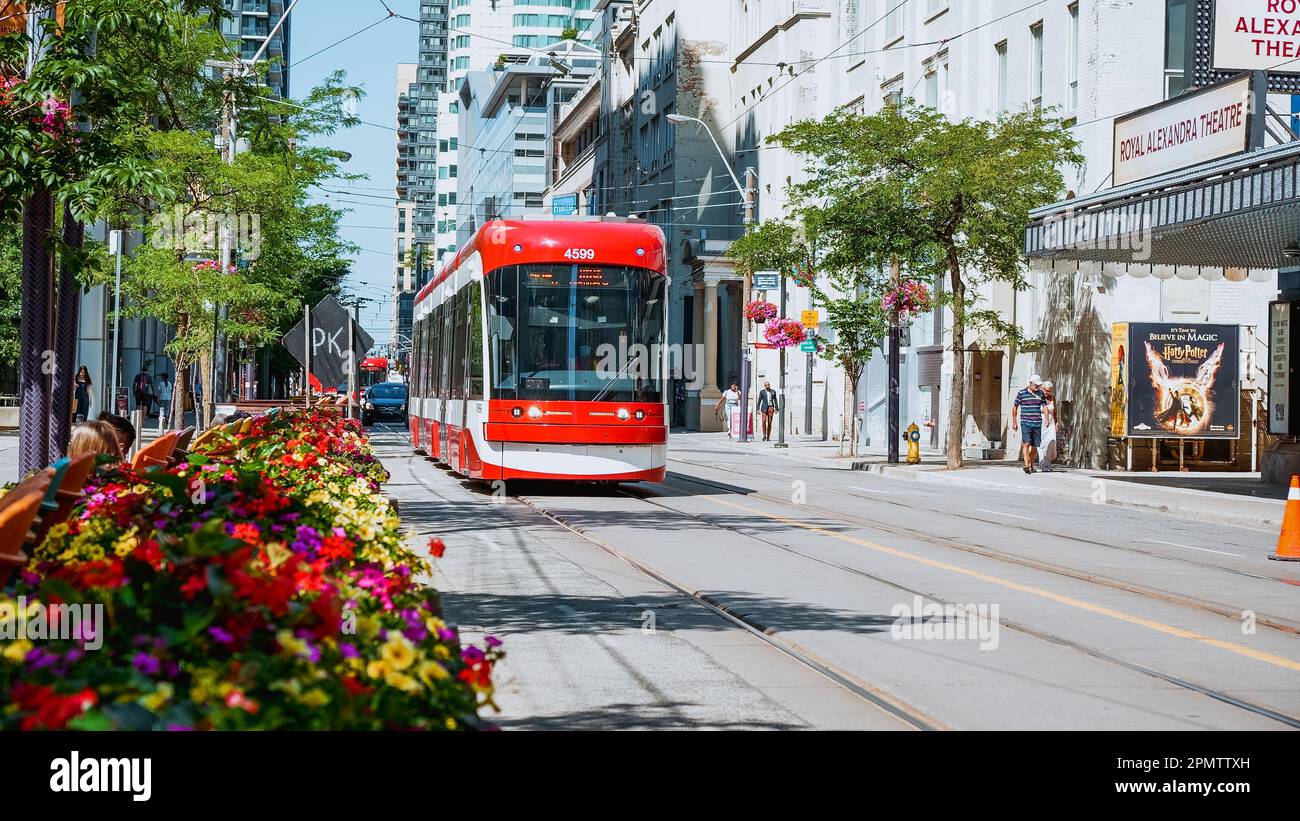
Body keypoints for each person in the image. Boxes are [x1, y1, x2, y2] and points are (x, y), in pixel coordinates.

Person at [1012, 374, 1046, 474]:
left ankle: (1030, 462)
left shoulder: (1041, 393)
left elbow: (1044, 406)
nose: (1038, 387)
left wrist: (1047, 419)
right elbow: (1015, 407)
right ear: (1030, 383)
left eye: (1039, 385)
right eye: (1036, 385)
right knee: (1026, 443)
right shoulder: (1021, 393)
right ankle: (1026, 465)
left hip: (1037, 423)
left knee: (1035, 446)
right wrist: (1014, 422)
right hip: (1025, 422)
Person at [1038, 381, 1058, 472]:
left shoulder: (1053, 398)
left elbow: (1055, 412)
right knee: (1042, 444)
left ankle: (1048, 464)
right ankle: (1042, 464)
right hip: (1040, 422)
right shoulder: (1038, 397)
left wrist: (1056, 423)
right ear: (1042, 389)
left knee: (1051, 442)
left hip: (1051, 423)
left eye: (1049, 391)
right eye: (1046, 390)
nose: (1047, 393)